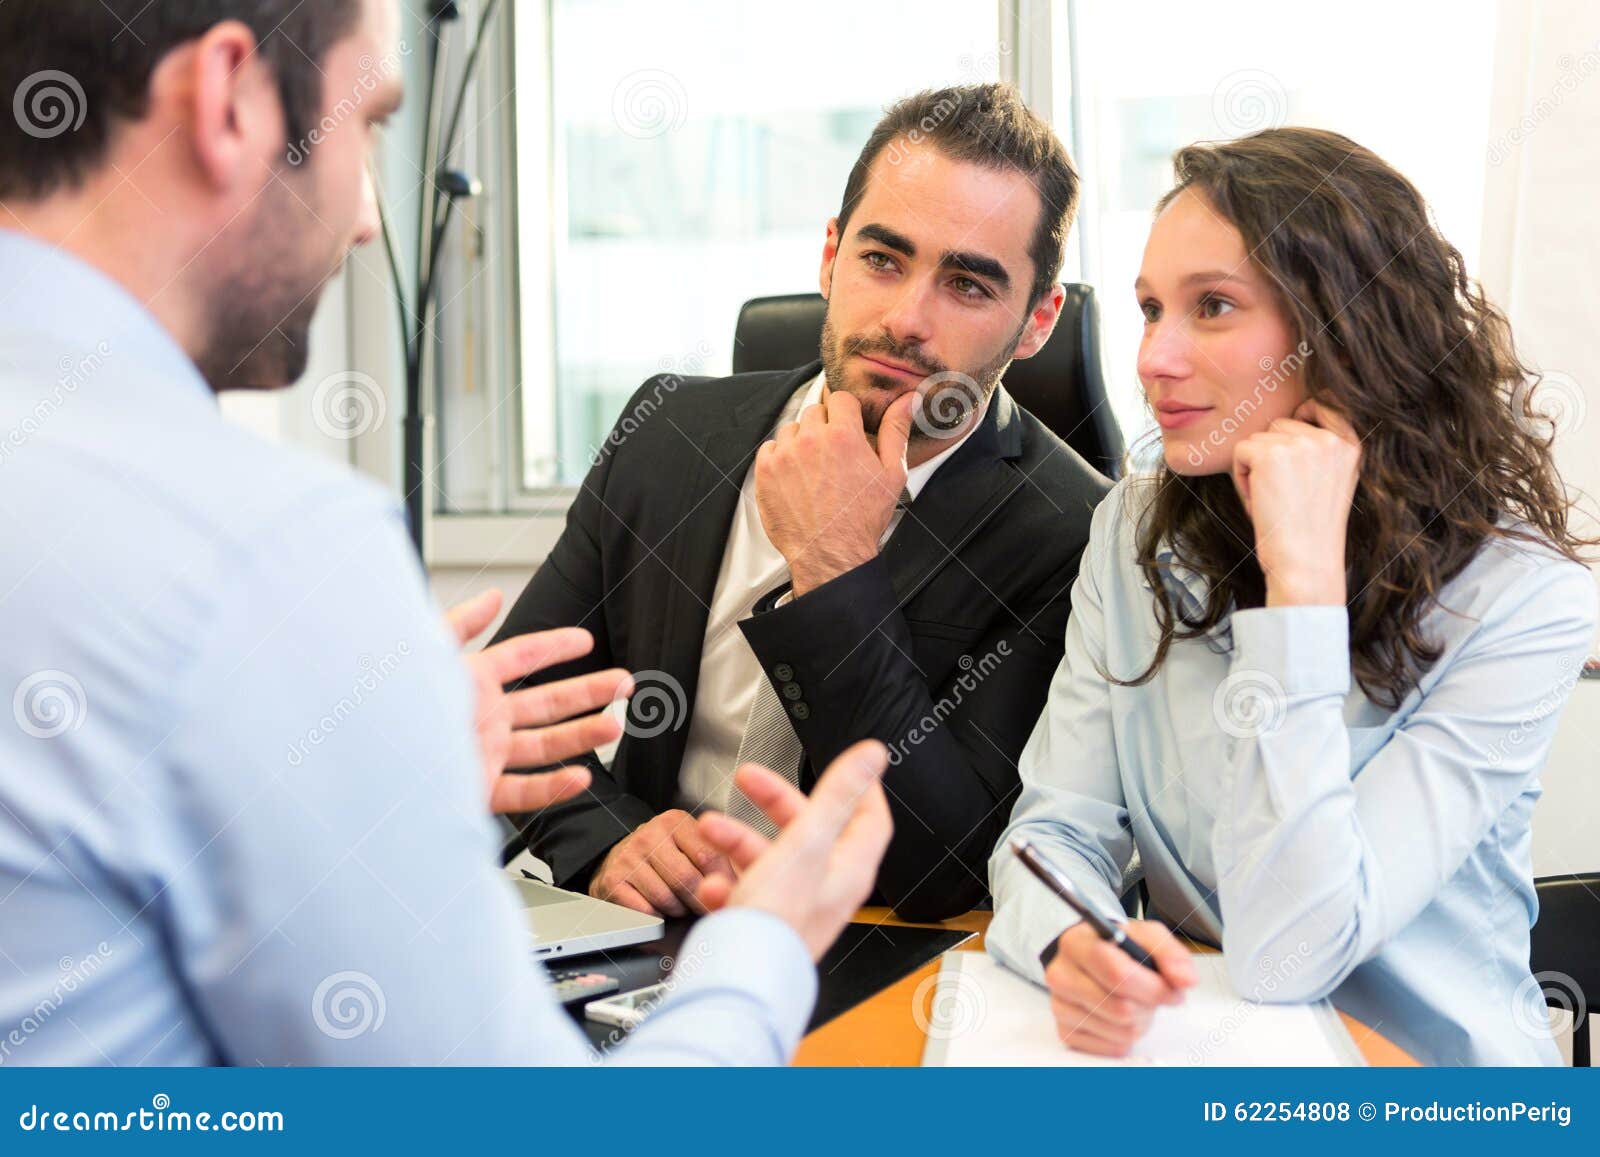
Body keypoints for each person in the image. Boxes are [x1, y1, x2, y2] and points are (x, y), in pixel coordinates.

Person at [0, 0, 894, 1066]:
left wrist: (375, 790)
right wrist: (761, 947)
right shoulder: (268, 552)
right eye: (367, 124)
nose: (369, 217)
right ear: (232, 99)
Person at [985, 127, 1598, 1066]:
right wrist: (1074, 938)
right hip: (1213, 1067)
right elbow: (1053, 830)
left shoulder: (1524, 598)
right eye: (1152, 308)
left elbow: (1290, 951)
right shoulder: (1131, 532)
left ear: (1346, 329)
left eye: (1215, 306)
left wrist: (1301, 591)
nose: (1154, 356)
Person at [490, 83, 1110, 923]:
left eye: (966, 285)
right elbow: (513, 713)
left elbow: (942, 865)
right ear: (829, 257)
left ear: (1037, 321)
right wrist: (607, 840)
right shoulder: (667, 431)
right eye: (882, 260)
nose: (905, 319)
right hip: (645, 937)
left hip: (871, 955)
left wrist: (837, 568)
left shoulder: (1075, 532)